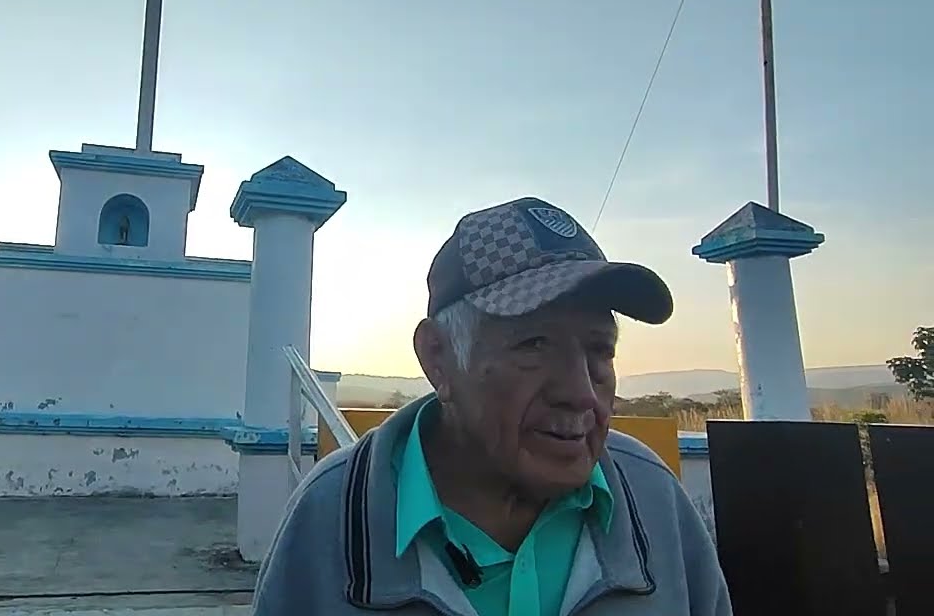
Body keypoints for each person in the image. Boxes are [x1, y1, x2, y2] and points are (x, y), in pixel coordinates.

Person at [253, 197, 730, 616]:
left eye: (599, 349)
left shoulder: (654, 500)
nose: (582, 393)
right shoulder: (330, 518)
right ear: (438, 358)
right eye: (534, 344)